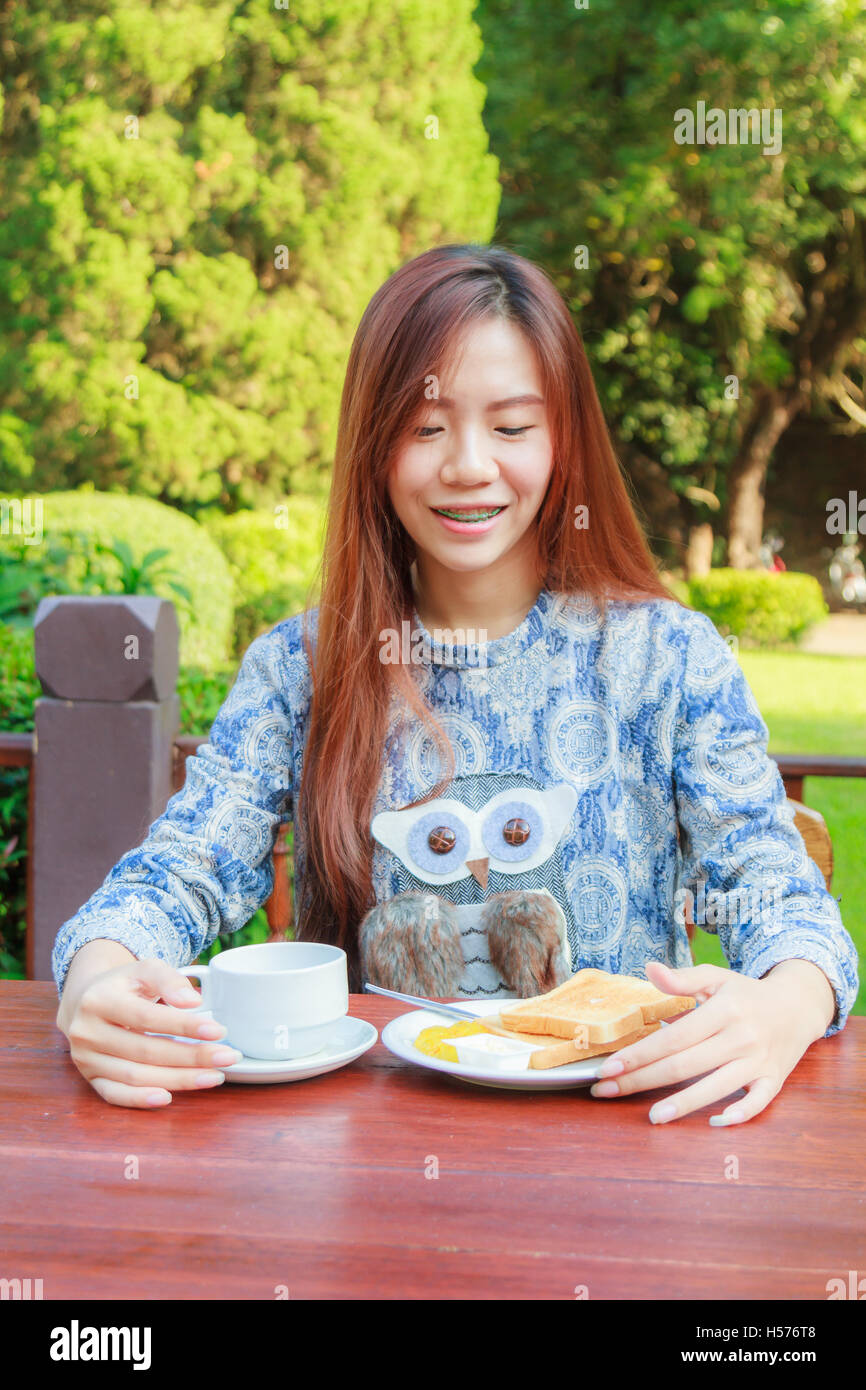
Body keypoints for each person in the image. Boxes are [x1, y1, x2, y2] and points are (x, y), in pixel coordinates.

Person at [53, 243, 859, 1121]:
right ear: (374, 443)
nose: (469, 465)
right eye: (426, 427)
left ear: (564, 441)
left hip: (628, 1150)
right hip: (372, 1168)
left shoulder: (666, 658)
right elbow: (174, 875)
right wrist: (97, 978)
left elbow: (776, 893)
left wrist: (787, 1003)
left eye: (512, 428)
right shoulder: (301, 669)